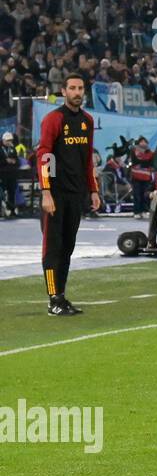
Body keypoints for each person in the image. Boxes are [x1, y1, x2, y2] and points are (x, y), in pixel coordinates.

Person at [35, 73, 102, 315]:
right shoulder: (53, 119)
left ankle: (61, 297)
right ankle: (53, 299)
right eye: (72, 88)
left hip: (76, 195)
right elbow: (44, 156)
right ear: (63, 92)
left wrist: (93, 190)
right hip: (55, 195)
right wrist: (46, 192)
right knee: (52, 248)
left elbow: (87, 161)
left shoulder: (87, 120)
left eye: (80, 88)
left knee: (67, 248)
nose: (76, 92)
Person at [128, 136, 155, 218]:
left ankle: (144, 210)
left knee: (145, 195)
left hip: (146, 177)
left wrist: (142, 163)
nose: (143, 143)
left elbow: (150, 163)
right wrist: (142, 163)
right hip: (136, 176)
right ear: (138, 143)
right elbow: (135, 162)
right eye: (141, 141)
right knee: (137, 195)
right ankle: (136, 211)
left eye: (145, 142)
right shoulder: (133, 151)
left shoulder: (150, 153)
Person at [0, 131, 20, 218]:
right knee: (1, 193)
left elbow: (17, 161)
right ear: (3, 140)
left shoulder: (12, 149)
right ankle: (1, 211)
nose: (9, 142)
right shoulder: (0, 149)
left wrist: (14, 161)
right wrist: (6, 161)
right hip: (2, 174)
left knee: (12, 192)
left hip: (11, 174)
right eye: (7, 140)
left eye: (10, 140)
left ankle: (12, 211)